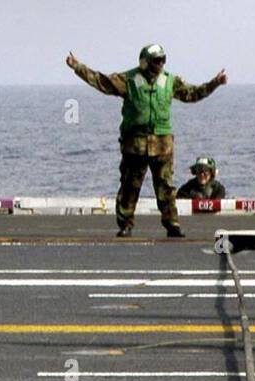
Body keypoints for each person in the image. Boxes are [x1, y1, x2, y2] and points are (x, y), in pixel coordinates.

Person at [67, 44, 227, 238]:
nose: (160, 64)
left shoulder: (169, 81)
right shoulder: (129, 80)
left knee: (166, 187)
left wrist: (215, 83)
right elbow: (102, 82)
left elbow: (192, 94)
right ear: (144, 62)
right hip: (135, 144)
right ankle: (125, 223)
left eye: (162, 60)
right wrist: (77, 66)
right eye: (156, 61)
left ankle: (172, 224)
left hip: (162, 145)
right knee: (129, 186)